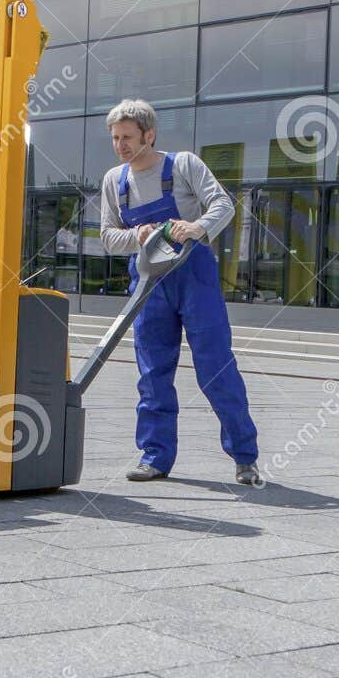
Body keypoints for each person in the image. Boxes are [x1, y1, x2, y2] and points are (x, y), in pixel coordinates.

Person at [99, 98, 261, 485]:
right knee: (152, 373)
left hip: (195, 279)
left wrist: (198, 227)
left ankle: (244, 457)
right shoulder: (114, 181)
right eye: (115, 138)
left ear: (149, 135)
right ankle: (155, 456)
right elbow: (107, 237)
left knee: (216, 369)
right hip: (149, 285)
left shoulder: (184, 165)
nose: (120, 145)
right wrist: (134, 236)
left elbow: (223, 203)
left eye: (128, 137)